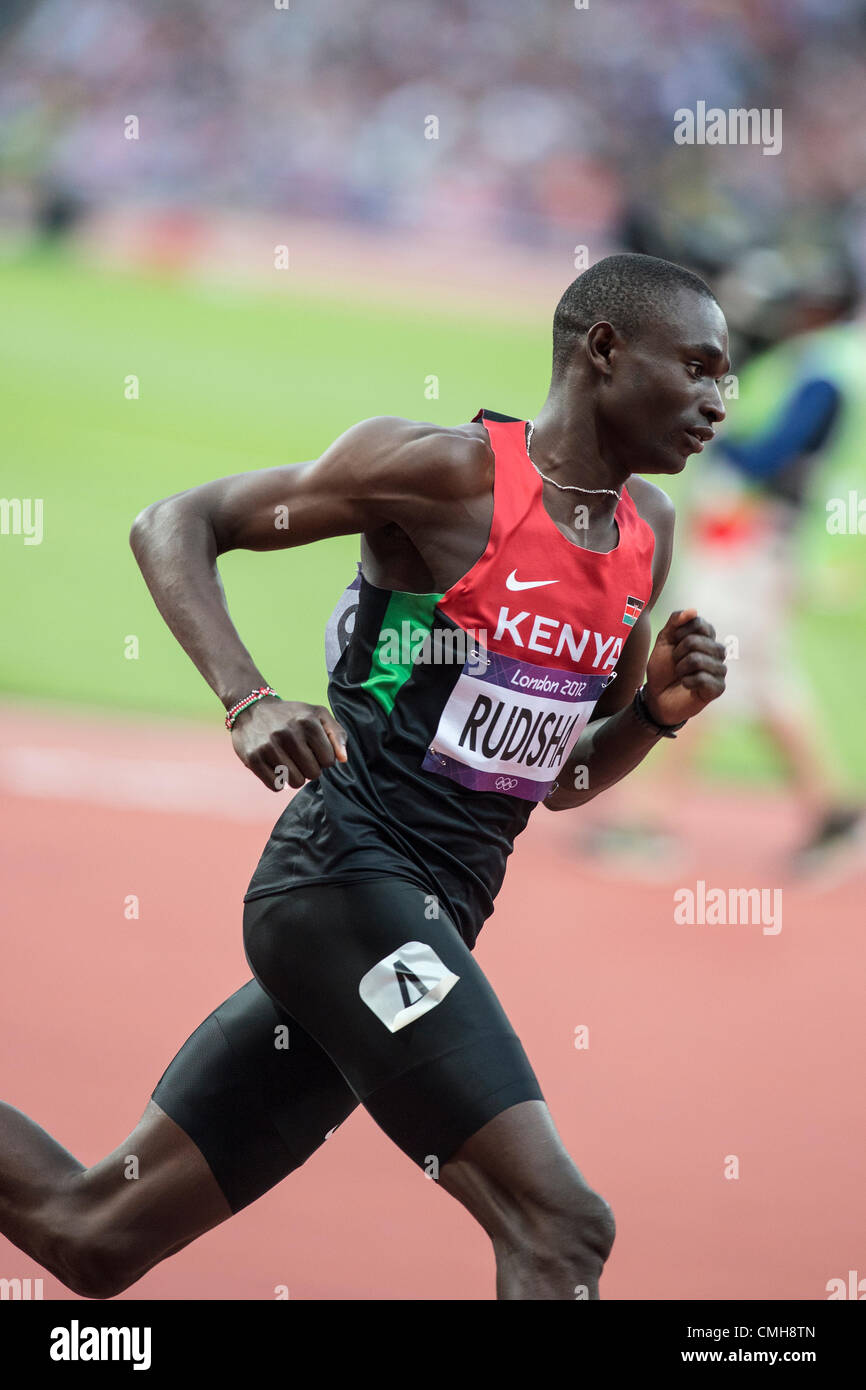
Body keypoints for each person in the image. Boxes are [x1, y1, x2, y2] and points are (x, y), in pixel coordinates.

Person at [0, 253, 728, 1301]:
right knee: (561, 1225)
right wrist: (249, 698)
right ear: (602, 351)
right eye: (696, 368)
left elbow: (551, 778)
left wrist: (653, 715)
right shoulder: (447, 474)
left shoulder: (640, 534)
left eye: (724, 379)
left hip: (428, 918)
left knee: (96, 1234)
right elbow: (173, 523)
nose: (716, 402)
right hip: (342, 882)